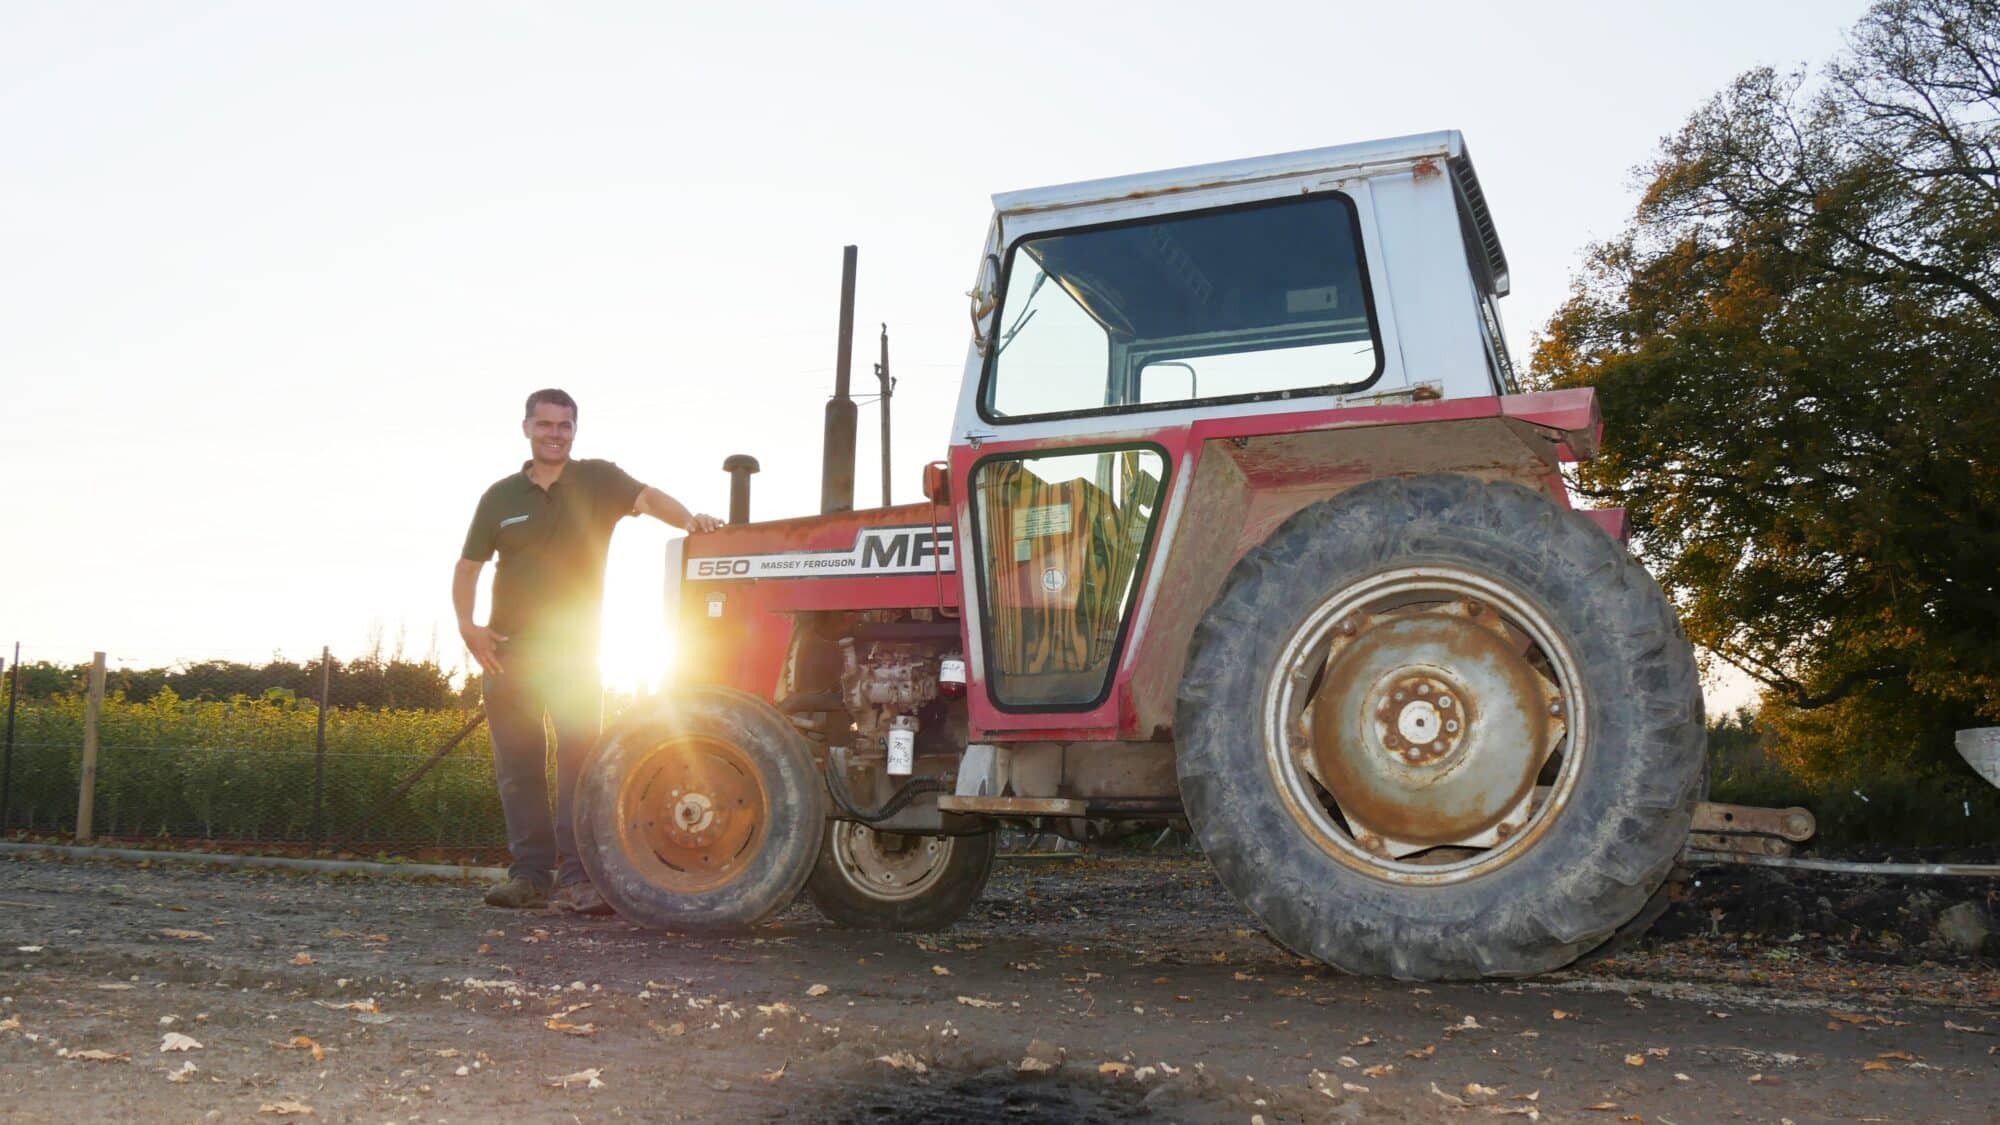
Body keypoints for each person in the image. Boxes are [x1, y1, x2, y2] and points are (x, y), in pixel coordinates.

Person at [454, 388, 721, 913]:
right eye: (545, 424)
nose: (555, 433)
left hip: (576, 654)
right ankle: (529, 877)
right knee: (519, 769)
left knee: (581, 763)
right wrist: (468, 626)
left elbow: (648, 498)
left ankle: (579, 879)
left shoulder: (599, 480)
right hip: (509, 655)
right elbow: (468, 568)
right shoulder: (499, 498)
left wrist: (690, 520)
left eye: (565, 426)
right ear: (526, 427)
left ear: (575, 431)